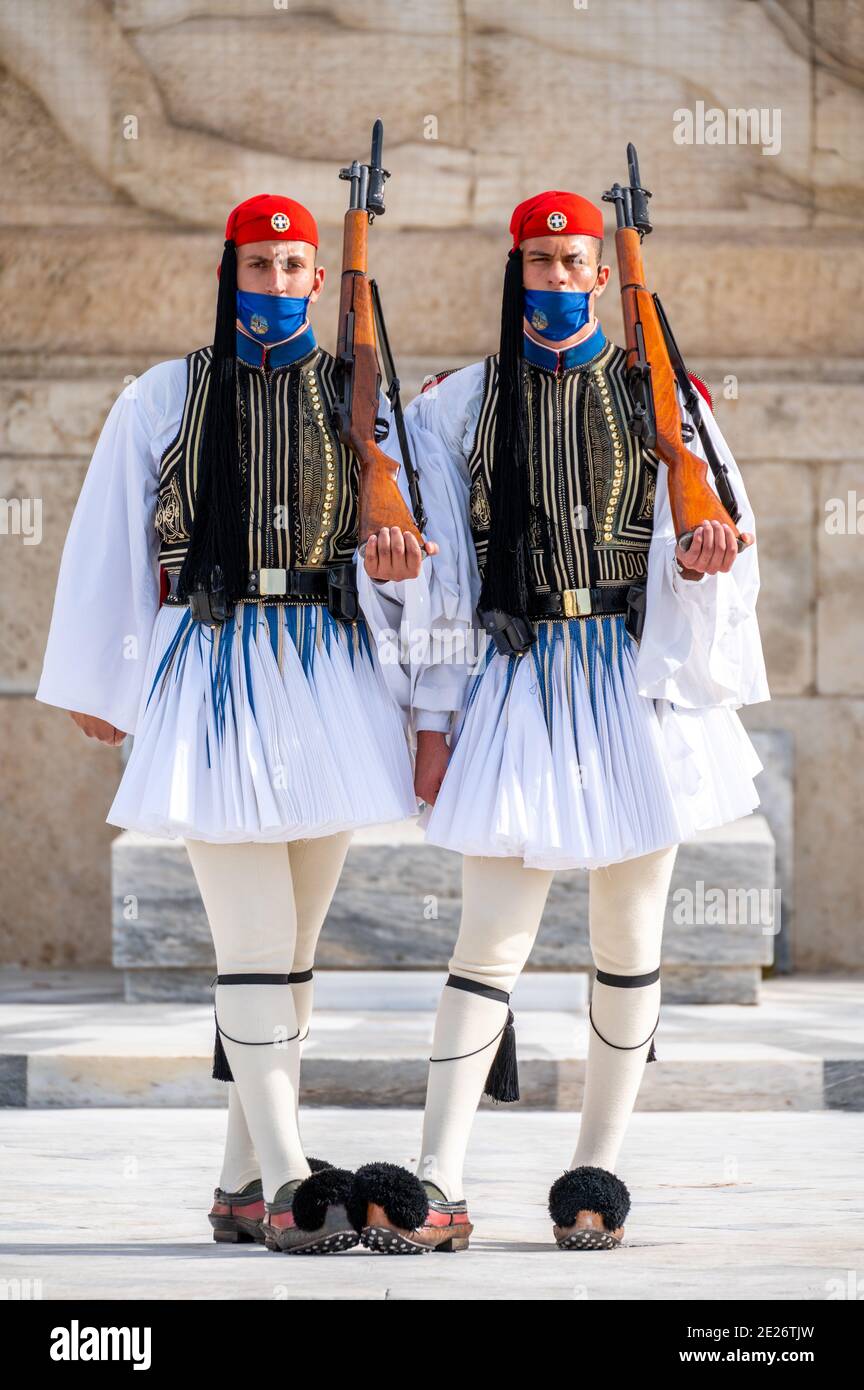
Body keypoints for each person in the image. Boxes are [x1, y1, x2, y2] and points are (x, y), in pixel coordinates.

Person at [349, 188, 771, 1252]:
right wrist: (432, 718)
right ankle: (438, 1179)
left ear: (601, 275)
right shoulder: (462, 403)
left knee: (628, 939)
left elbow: (726, 525)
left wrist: (704, 554)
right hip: (520, 676)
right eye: (540, 259)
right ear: (517, 270)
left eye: (575, 261)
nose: (558, 277)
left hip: (631, 685)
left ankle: (598, 1172)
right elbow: (426, 567)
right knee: (491, 933)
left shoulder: (661, 396)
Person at [35, 193, 433, 1255]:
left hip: (329, 674)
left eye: (293, 267)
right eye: (257, 265)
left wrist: (400, 575)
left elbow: (406, 557)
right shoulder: (166, 393)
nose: (274, 283)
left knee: (292, 952)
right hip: (210, 667)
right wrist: (100, 678)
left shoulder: (366, 407)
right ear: (230, 271)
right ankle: (298, 1180)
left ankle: (235, 1185)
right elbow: (112, 536)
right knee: (253, 944)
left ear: (318, 280)